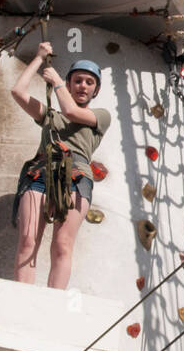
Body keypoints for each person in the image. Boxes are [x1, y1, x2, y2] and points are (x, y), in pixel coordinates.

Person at [10, 42, 111, 289]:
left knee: (62, 244)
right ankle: (23, 296)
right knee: (27, 240)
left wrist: (56, 82)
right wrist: (39, 57)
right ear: (70, 84)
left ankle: (54, 300)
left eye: (89, 82)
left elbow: (72, 111)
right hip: (41, 172)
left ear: (96, 90)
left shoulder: (100, 116)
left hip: (75, 176)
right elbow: (18, 92)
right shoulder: (51, 117)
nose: (83, 86)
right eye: (77, 81)